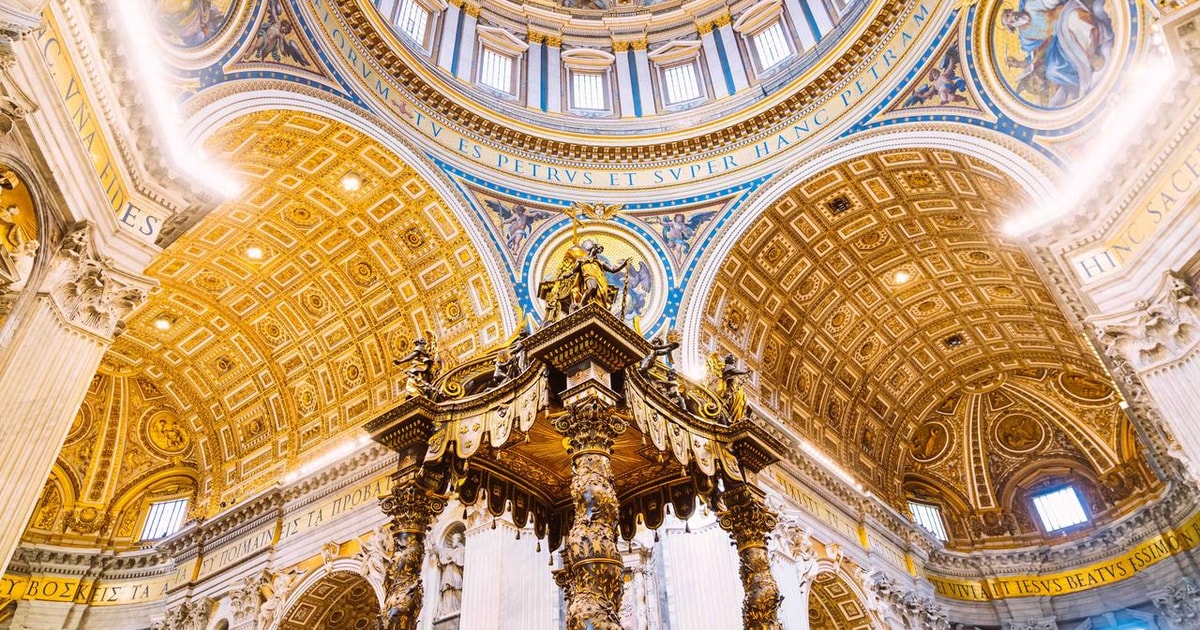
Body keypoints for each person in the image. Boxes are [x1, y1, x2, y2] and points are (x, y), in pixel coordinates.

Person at [435, 531, 465, 617]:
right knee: (447, 591)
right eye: (452, 539)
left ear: (458, 540)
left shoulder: (462, 549)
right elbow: (439, 551)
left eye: (454, 539)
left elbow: (461, 561)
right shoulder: (449, 550)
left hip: (456, 573)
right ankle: (447, 611)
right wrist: (433, 543)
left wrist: (453, 558)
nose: (452, 541)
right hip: (448, 573)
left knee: (456, 589)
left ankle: (457, 609)